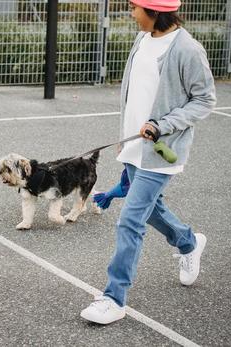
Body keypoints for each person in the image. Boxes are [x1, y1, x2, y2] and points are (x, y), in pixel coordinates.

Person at [80, 0, 216, 325]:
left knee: (130, 220)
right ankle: (188, 242)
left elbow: (205, 99)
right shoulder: (142, 39)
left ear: (155, 11)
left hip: (160, 151)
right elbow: (137, 93)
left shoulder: (187, 49)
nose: (130, 14)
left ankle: (114, 298)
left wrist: (163, 125)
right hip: (133, 146)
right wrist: (126, 135)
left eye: (134, 8)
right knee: (150, 209)